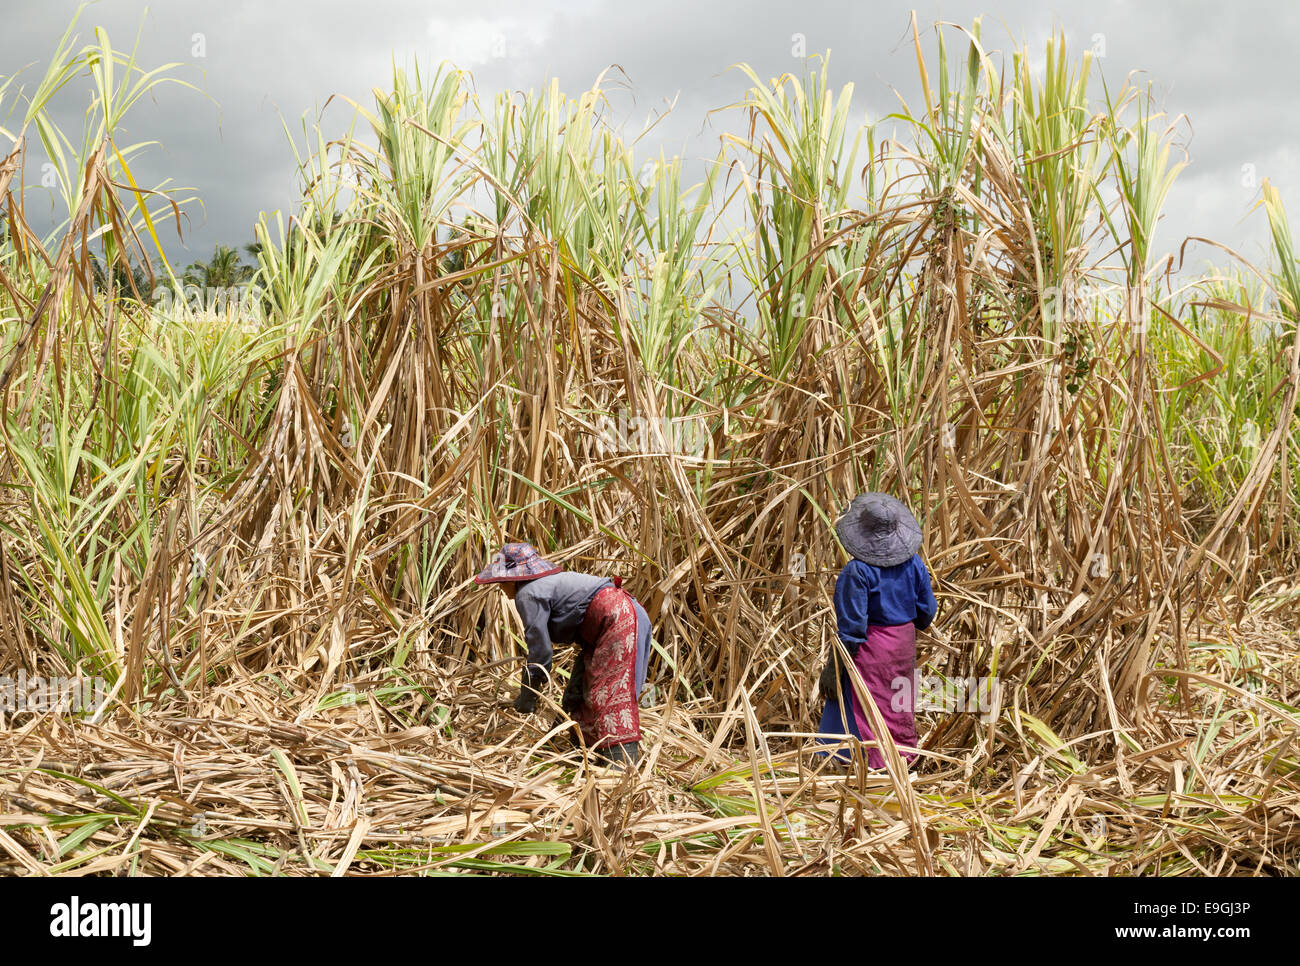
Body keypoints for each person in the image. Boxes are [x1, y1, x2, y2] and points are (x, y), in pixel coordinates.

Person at [474, 542, 651, 767]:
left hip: (617, 619)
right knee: (578, 690)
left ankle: (620, 771)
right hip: (614, 622)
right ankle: (585, 761)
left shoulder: (527, 594)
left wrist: (528, 695)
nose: (501, 587)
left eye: (501, 582)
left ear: (512, 579)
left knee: (609, 693)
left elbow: (540, 652)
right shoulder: (539, 588)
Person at [817, 492, 937, 770]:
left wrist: (834, 666)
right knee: (896, 703)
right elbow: (927, 613)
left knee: (861, 702)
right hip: (903, 644)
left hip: (871, 647)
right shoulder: (915, 564)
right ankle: (900, 760)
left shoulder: (856, 572)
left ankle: (868, 764)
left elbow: (853, 630)